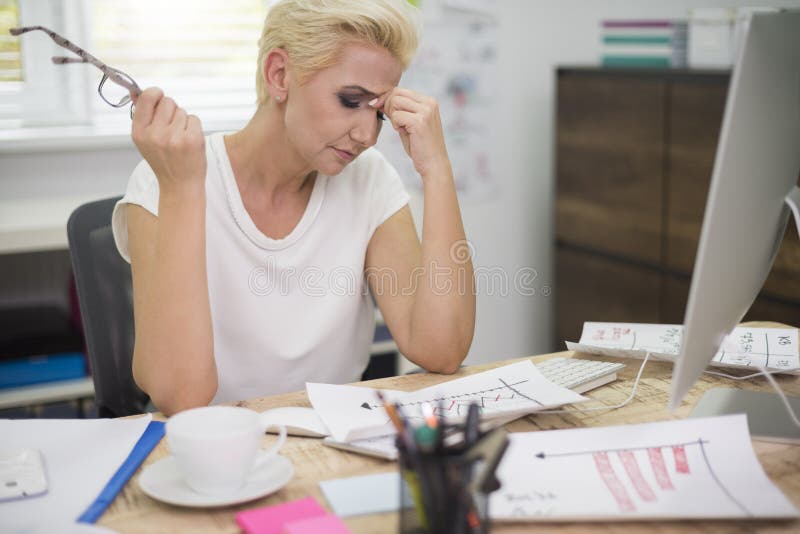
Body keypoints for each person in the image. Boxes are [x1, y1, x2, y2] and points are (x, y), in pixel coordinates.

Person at [111, 0, 475, 416]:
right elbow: (180, 398)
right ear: (279, 75)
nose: (367, 135)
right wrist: (182, 190)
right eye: (351, 100)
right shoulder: (165, 180)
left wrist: (438, 171)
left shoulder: (370, 180)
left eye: (379, 115)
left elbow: (442, 351)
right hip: (213, 447)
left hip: (332, 445)